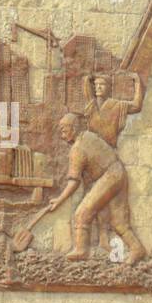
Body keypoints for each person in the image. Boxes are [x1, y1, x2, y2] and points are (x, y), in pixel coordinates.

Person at [46, 112, 146, 263]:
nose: (62, 135)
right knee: (119, 222)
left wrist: (59, 200)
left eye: (64, 130)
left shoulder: (77, 149)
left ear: (73, 129)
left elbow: (74, 182)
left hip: (109, 176)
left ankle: (81, 250)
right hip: (119, 172)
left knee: (81, 213)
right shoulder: (89, 135)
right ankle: (136, 248)